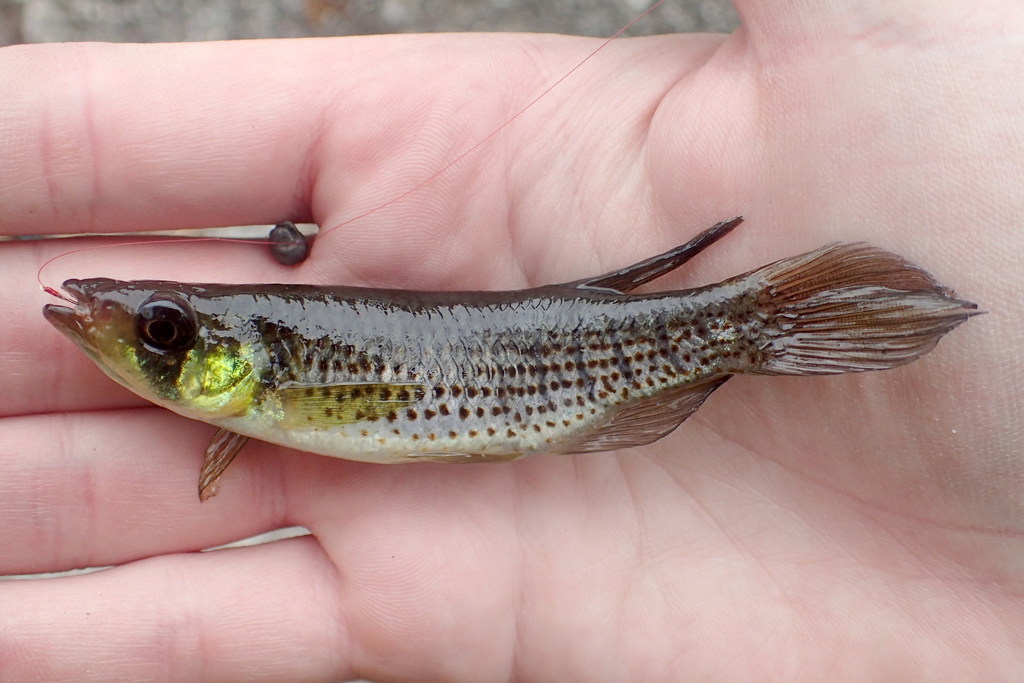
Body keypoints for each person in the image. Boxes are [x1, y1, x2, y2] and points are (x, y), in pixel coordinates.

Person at [1, 0, 1021, 680]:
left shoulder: (270, 385)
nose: (144, 339)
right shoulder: (251, 395)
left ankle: (754, 319)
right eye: (162, 331)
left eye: (166, 331)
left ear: (242, 354)